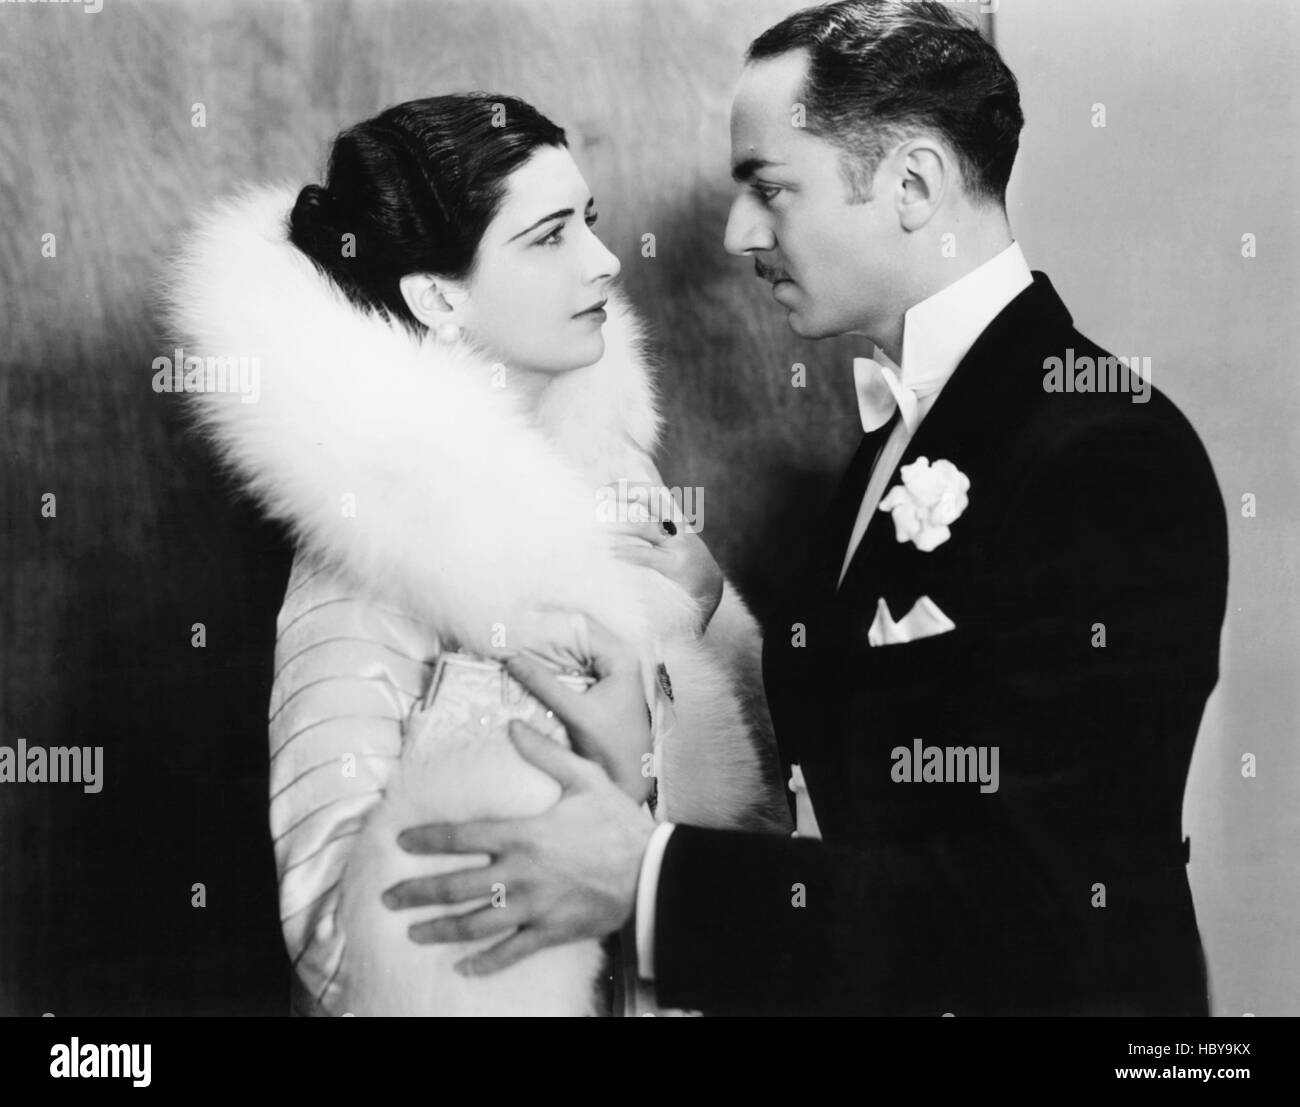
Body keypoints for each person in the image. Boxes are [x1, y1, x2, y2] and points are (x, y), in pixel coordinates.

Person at [402, 1, 1229, 1016]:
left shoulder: (1107, 453)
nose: (736, 232)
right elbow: (890, 733)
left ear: (913, 185)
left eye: (768, 188)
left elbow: (1039, 907)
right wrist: (712, 616)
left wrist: (647, 878)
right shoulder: (901, 431)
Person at [166, 93, 790, 1016]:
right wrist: (600, 766)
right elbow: (342, 950)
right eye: (548, 237)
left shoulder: (622, 484)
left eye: (590, 220)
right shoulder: (372, 560)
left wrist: (694, 620)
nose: (605, 261)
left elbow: (742, 826)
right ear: (437, 295)